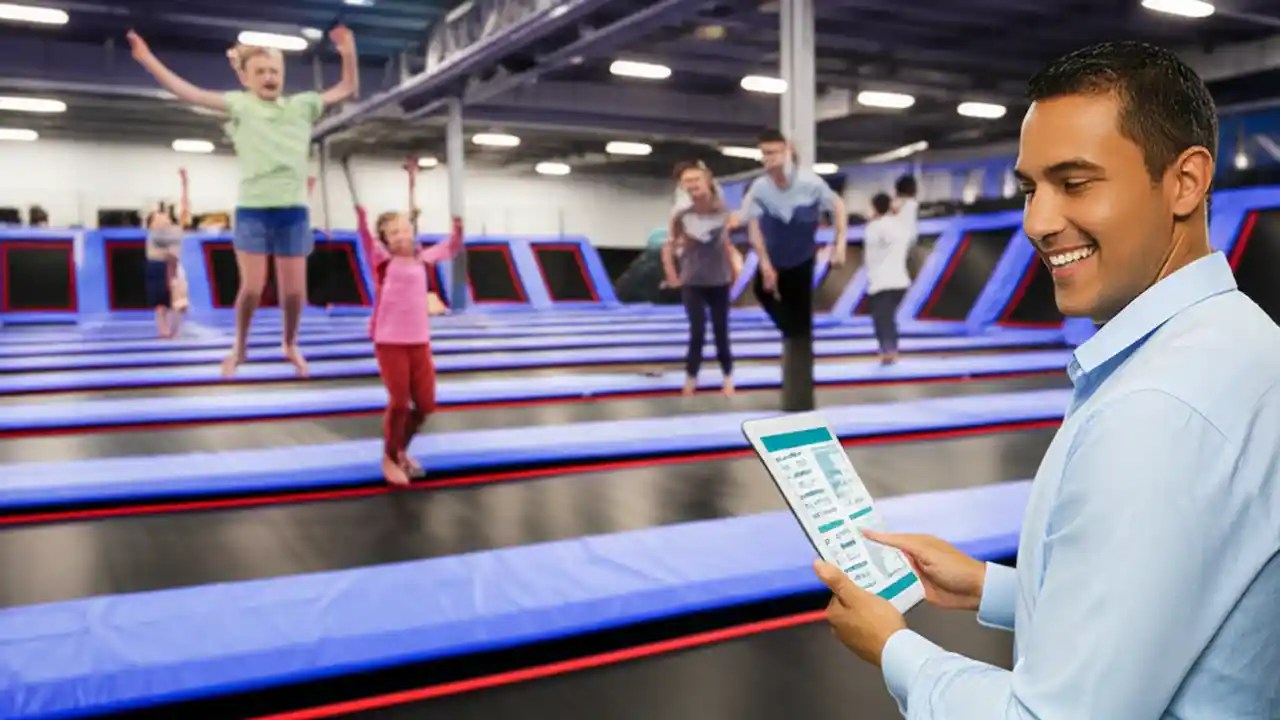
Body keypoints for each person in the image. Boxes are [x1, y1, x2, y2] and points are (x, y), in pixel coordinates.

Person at [812, 40, 1280, 718]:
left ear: (1184, 182)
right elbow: (1191, 588)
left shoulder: (1154, 411)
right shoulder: (1245, 338)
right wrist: (988, 587)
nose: (1037, 221)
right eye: (1031, 188)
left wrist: (893, 650)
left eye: (1076, 182)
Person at [127, 26, 359, 377]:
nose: (269, 77)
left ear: (283, 75)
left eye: (274, 71)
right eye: (260, 72)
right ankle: (240, 345)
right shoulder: (240, 105)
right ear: (247, 80)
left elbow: (347, 88)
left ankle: (290, 343)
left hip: (293, 211)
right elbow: (188, 92)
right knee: (252, 287)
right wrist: (147, 59)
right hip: (253, 210)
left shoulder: (302, 105)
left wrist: (349, 52)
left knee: (295, 295)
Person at [356, 205, 463, 486]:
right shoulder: (382, 261)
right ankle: (390, 457)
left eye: (404, 229)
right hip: (390, 341)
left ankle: (401, 448)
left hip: (419, 341)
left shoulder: (423, 258)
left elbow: (452, 247)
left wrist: (458, 226)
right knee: (400, 402)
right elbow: (365, 238)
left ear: (413, 232)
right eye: (393, 232)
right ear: (386, 240)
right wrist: (362, 217)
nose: (401, 235)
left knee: (426, 405)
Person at [743, 129, 848, 408]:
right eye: (765, 153)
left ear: (787, 151)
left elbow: (838, 206)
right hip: (775, 259)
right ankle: (792, 332)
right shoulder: (760, 187)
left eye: (775, 152)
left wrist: (840, 244)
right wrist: (765, 264)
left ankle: (800, 400)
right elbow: (753, 228)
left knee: (801, 327)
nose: (770, 159)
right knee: (762, 293)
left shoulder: (810, 183)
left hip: (801, 259)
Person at [662, 161, 738, 397]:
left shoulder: (722, 209)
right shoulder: (680, 214)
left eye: (696, 180)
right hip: (693, 281)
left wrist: (736, 270)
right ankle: (691, 379)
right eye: (687, 182)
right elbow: (670, 244)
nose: (692, 185)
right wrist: (673, 273)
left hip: (719, 280)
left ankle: (728, 379)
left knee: (721, 331)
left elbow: (728, 240)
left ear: (707, 182)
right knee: (697, 331)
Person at [863, 192, 913, 364]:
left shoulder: (874, 227)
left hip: (882, 282)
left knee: (882, 319)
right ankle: (889, 350)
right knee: (887, 318)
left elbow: (872, 243)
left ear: (875, 208)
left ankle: (888, 351)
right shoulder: (900, 226)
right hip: (900, 282)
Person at [143, 169, 191, 338]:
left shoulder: (176, 229)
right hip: (157, 265)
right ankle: (164, 331)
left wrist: (185, 184)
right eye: (159, 217)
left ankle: (174, 331)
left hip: (174, 266)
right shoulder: (154, 232)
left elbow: (185, 209)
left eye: (165, 216)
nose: (164, 218)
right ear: (152, 223)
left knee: (178, 304)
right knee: (161, 304)